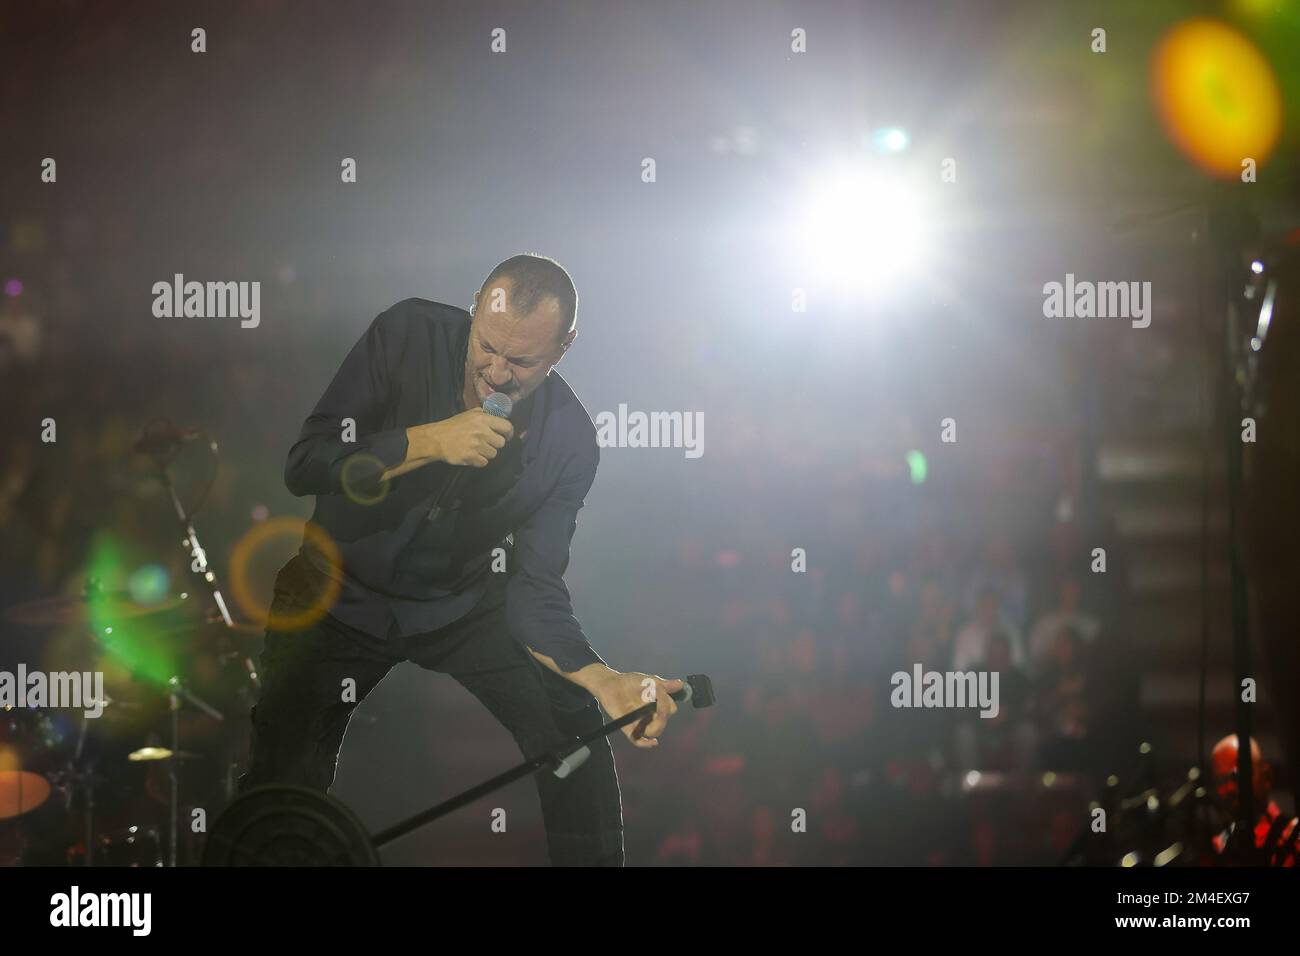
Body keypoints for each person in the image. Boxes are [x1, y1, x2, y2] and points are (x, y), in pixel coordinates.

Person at [239, 253, 682, 866]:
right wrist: (428, 441)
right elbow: (306, 464)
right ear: (474, 309)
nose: (496, 373)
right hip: (336, 591)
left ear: (563, 349)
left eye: (522, 362)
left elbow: (536, 589)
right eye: (487, 347)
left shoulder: (570, 441)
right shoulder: (405, 333)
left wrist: (604, 679)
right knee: (280, 786)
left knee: (574, 723)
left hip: (463, 605)